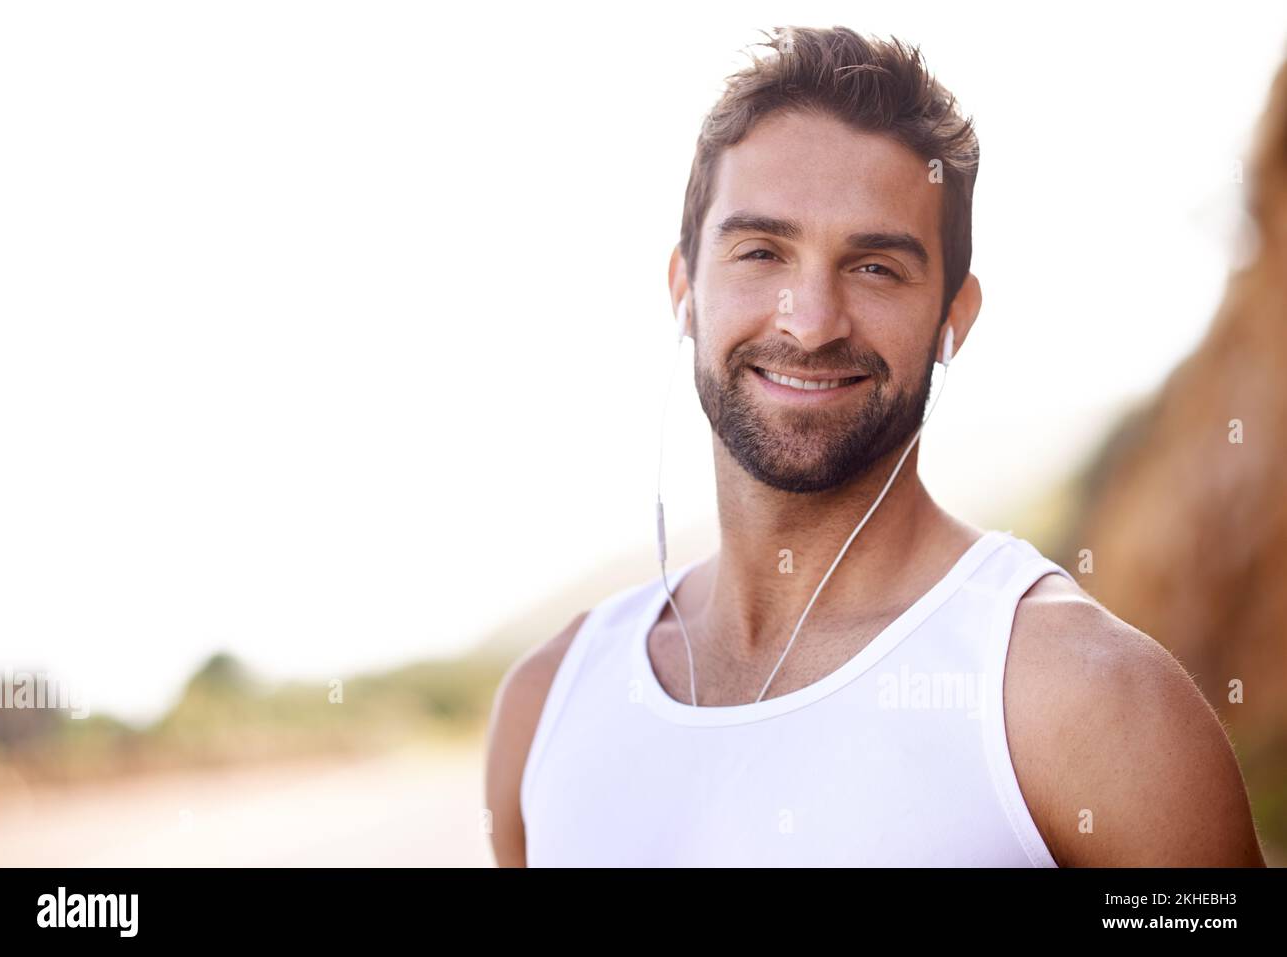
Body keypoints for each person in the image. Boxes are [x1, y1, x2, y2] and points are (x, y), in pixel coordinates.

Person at [484, 25, 1266, 867]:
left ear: (952, 320)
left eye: (875, 267)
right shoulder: (548, 703)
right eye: (761, 251)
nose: (811, 321)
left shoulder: (1089, 700)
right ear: (684, 289)